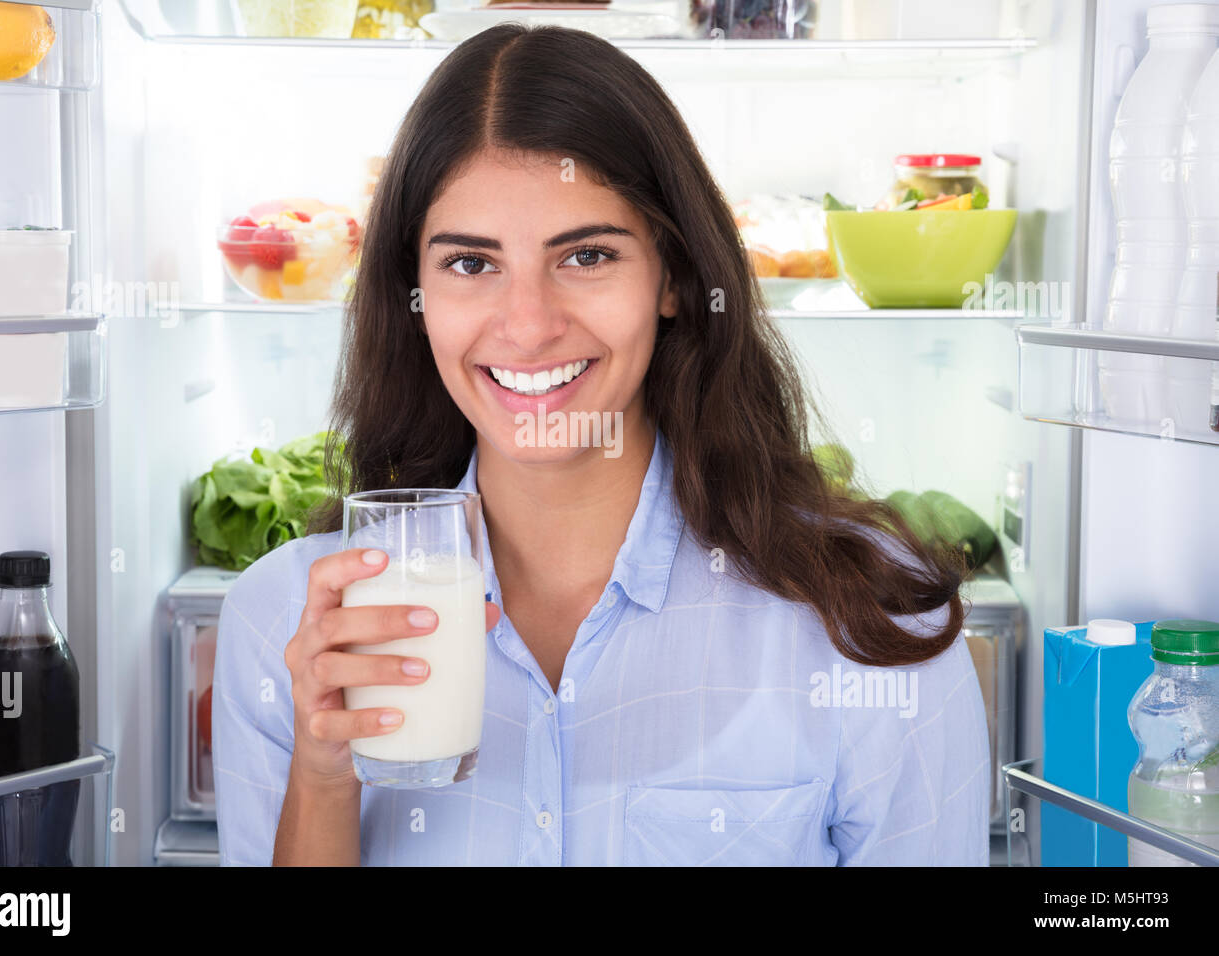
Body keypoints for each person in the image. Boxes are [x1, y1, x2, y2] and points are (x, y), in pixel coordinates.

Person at [213, 23, 990, 866]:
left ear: (674, 278)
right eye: (471, 265)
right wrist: (326, 779)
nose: (529, 325)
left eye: (585, 255)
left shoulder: (870, 624)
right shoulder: (285, 627)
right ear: (415, 295)